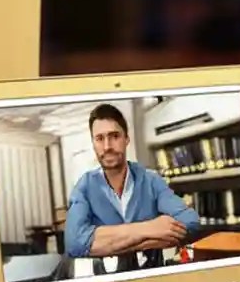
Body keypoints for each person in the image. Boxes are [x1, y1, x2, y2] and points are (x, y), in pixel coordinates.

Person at [64, 104, 200, 259]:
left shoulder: (151, 180)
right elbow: (74, 244)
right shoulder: (84, 187)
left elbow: (190, 221)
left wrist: (107, 242)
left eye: (114, 136)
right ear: (93, 143)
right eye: (100, 138)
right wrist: (149, 228)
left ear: (126, 139)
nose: (107, 146)